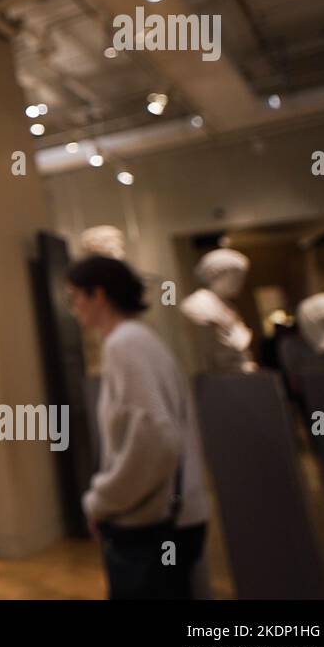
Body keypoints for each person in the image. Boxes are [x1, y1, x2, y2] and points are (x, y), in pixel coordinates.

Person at [66, 255, 210, 599]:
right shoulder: (142, 339)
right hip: (169, 515)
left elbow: (156, 438)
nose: (73, 309)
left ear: (98, 295)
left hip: (150, 522)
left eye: (75, 298)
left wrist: (102, 500)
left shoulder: (124, 344)